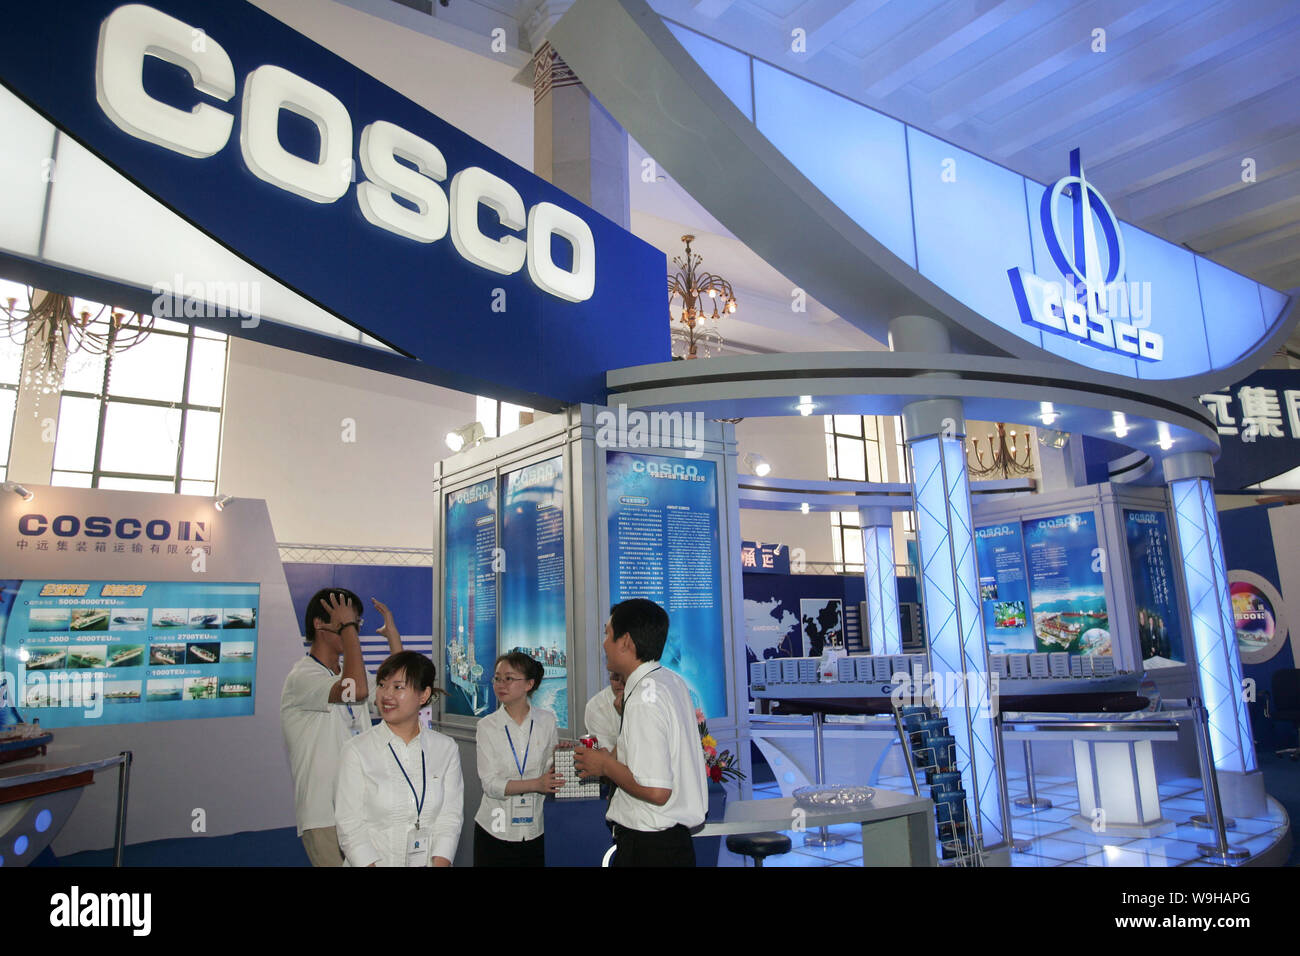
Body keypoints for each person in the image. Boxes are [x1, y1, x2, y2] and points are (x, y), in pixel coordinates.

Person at [573, 598, 707, 867]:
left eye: (608, 634)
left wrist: (604, 765)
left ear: (626, 642)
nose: (604, 643)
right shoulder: (669, 681)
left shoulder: (644, 698)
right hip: (668, 844)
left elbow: (656, 790)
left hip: (649, 847)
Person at [280, 588, 402, 867]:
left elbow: (399, 692)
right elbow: (355, 691)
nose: (355, 628)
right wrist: (348, 629)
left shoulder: (349, 674)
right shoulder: (302, 677)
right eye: (347, 622)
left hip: (362, 811)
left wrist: (393, 637)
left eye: (357, 622)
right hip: (325, 816)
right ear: (319, 624)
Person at [334, 651, 463, 867]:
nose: (386, 695)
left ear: (423, 695)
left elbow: (450, 818)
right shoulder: (356, 750)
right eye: (382, 685)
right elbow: (349, 826)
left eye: (398, 687)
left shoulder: (445, 748)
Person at [473, 651, 563, 867]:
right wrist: (536, 784)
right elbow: (490, 784)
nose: (500, 684)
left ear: (529, 684)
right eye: (497, 678)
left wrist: (562, 757)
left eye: (509, 678)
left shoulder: (547, 720)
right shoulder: (486, 726)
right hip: (494, 830)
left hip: (535, 829)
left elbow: (550, 773)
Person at [584, 668, 625, 751]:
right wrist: (625, 717)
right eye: (616, 677)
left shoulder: (648, 699)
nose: (620, 682)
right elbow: (608, 758)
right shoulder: (596, 707)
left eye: (625, 677)